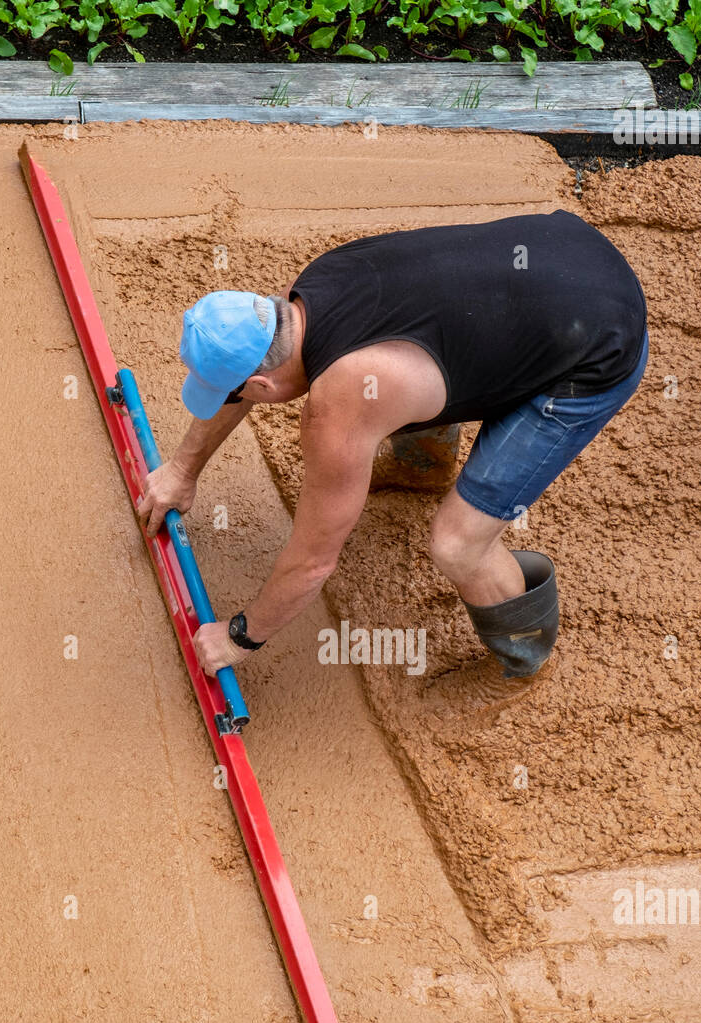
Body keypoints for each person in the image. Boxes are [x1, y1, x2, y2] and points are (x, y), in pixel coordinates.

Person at [137, 211, 648, 699]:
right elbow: (256, 377)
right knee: (409, 371)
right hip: (562, 252)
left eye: (238, 393)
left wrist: (240, 636)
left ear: (259, 384)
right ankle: (421, 467)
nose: (237, 400)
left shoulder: (344, 397)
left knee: (457, 544)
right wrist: (183, 469)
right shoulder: (311, 291)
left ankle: (526, 661)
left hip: (598, 346)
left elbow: (314, 563)